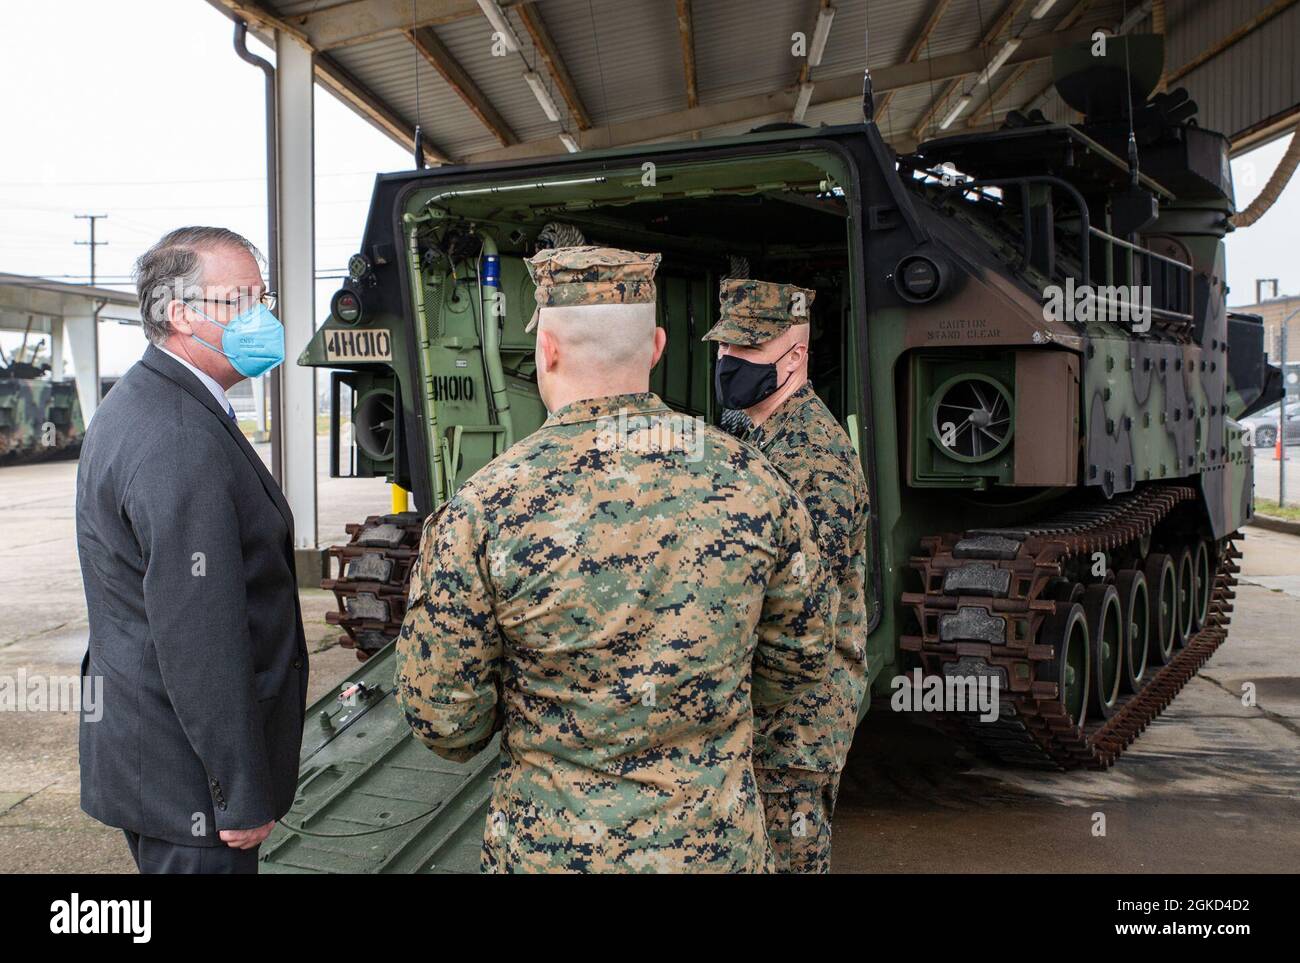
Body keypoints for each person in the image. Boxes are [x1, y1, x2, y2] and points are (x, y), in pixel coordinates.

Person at [395, 246, 830, 873]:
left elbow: (446, 719)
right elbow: (799, 661)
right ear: (655, 346)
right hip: (714, 848)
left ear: (546, 349)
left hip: (552, 852)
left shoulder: (485, 507)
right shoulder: (755, 482)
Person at [75, 226, 307, 873]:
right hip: (191, 782)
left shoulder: (146, 401)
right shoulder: (178, 435)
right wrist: (237, 791)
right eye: (242, 302)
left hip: (159, 762)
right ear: (180, 315)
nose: (263, 319)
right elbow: (200, 632)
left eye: (265, 300)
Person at [705, 277, 871, 874]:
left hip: (800, 717)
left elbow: (801, 601)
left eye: (744, 351)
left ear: (794, 357)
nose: (727, 363)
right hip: (769, 705)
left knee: (790, 855)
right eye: (723, 349)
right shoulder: (760, 431)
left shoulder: (812, 456)